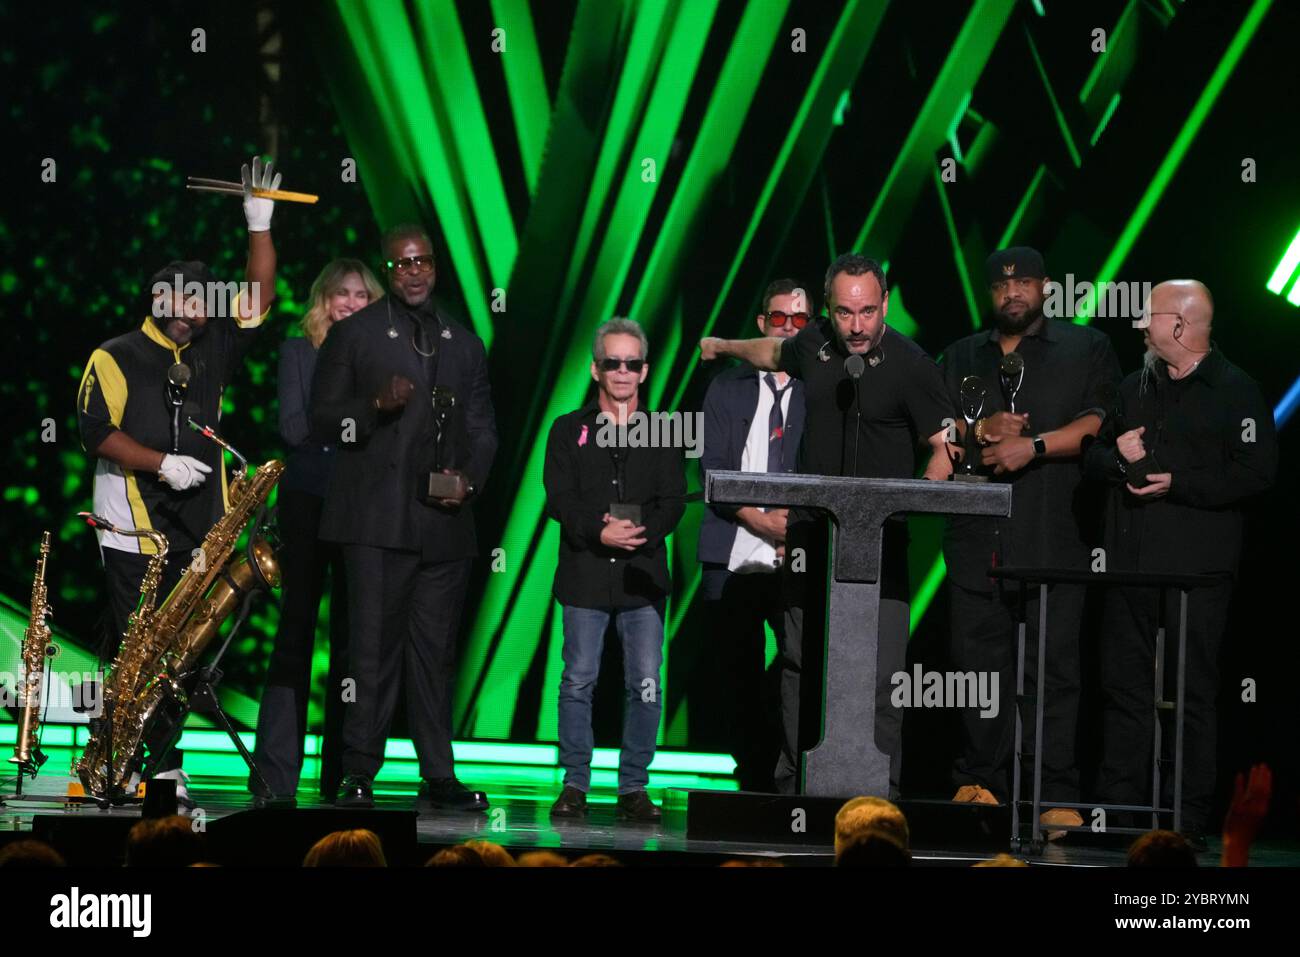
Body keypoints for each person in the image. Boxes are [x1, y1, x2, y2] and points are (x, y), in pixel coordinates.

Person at [700, 253, 953, 797]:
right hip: (812, 539)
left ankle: (876, 793)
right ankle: (797, 786)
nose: (857, 326)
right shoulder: (813, 345)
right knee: (801, 662)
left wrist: (924, 491)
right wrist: (723, 347)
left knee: (881, 675)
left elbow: (942, 449)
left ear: (884, 304)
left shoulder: (912, 365)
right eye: (844, 313)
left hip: (879, 542)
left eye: (867, 312)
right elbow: (772, 350)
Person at [76, 156, 280, 808]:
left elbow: (260, 296)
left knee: (184, 650)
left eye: (202, 303)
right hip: (132, 524)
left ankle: (152, 757)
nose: (194, 313)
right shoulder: (114, 354)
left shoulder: (211, 344)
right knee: (140, 645)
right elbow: (96, 431)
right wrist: (160, 463)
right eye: (184, 302)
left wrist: (259, 216)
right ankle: (124, 760)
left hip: (202, 526)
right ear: (158, 300)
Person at [311, 224, 497, 811]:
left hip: (444, 524)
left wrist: (470, 481)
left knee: (435, 654)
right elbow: (323, 421)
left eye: (422, 262)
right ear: (386, 272)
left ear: (435, 266)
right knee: (370, 650)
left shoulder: (464, 343)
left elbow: (484, 429)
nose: (413, 272)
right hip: (375, 524)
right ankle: (359, 769)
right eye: (401, 264)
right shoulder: (355, 336)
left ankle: (438, 772)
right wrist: (373, 406)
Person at [1084, 280, 1276, 846]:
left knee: (1193, 693)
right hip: (1131, 565)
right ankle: (1121, 817)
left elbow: (1257, 472)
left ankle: (1187, 822)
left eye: (1150, 316)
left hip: (1199, 570)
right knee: (1124, 689)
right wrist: (1119, 462)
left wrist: (1181, 483)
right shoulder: (1131, 386)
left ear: (1180, 325)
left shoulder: (1237, 391)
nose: (1139, 325)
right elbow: (1094, 459)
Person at [938, 247, 1121, 838]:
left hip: (1057, 530)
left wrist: (1033, 445)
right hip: (976, 537)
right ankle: (980, 781)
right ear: (988, 291)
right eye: (1001, 284)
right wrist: (977, 428)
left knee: (1055, 667)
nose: (1012, 292)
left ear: (1045, 286)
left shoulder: (1084, 346)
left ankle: (1054, 792)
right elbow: (939, 432)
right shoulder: (961, 354)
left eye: (1023, 282)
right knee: (978, 666)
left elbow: (1100, 422)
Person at [250, 259, 383, 808]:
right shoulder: (297, 350)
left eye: (361, 296)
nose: (350, 303)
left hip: (363, 505)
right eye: (340, 295)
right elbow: (296, 429)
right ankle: (275, 776)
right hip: (307, 500)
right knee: (295, 633)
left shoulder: (381, 358)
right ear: (323, 300)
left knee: (356, 644)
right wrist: (365, 415)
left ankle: (344, 778)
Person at [543, 318, 685, 822]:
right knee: (578, 680)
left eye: (631, 363)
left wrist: (637, 531)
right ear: (595, 369)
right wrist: (596, 531)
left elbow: (674, 501)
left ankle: (633, 788)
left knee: (645, 681)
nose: (621, 372)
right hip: (584, 574)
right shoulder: (566, 430)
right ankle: (575, 784)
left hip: (642, 577)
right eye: (612, 362)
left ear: (644, 371)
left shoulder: (665, 433)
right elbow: (559, 497)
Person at [696, 279, 808, 792]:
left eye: (800, 321)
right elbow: (713, 470)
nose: (788, 328)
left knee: (798, 662)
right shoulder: (726, 387)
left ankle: (785, 766)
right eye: (778, 319)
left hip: (799, 550)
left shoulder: (819, 391)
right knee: (732, 669)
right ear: (762, 324)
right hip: (732, 545)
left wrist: (792, 526)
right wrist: (759, 519)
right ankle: (751, 772)